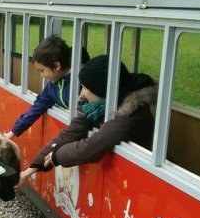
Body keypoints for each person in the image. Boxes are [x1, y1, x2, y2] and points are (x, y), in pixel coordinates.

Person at [17, 55, 157, 189]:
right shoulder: (96, 105)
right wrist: (30, 170)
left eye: (85, 88)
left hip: (144, 184)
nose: (82, 93)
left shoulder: (131, 115)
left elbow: (91, 147)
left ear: (102, 90)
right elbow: (71, 132)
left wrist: (57, 156)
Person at [4, 35, 88, 139]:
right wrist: (13, 132)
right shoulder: (52, 87)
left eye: (42, 70)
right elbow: (37, 107)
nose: (42, 76)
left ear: (57, 66)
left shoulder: (84, 82)